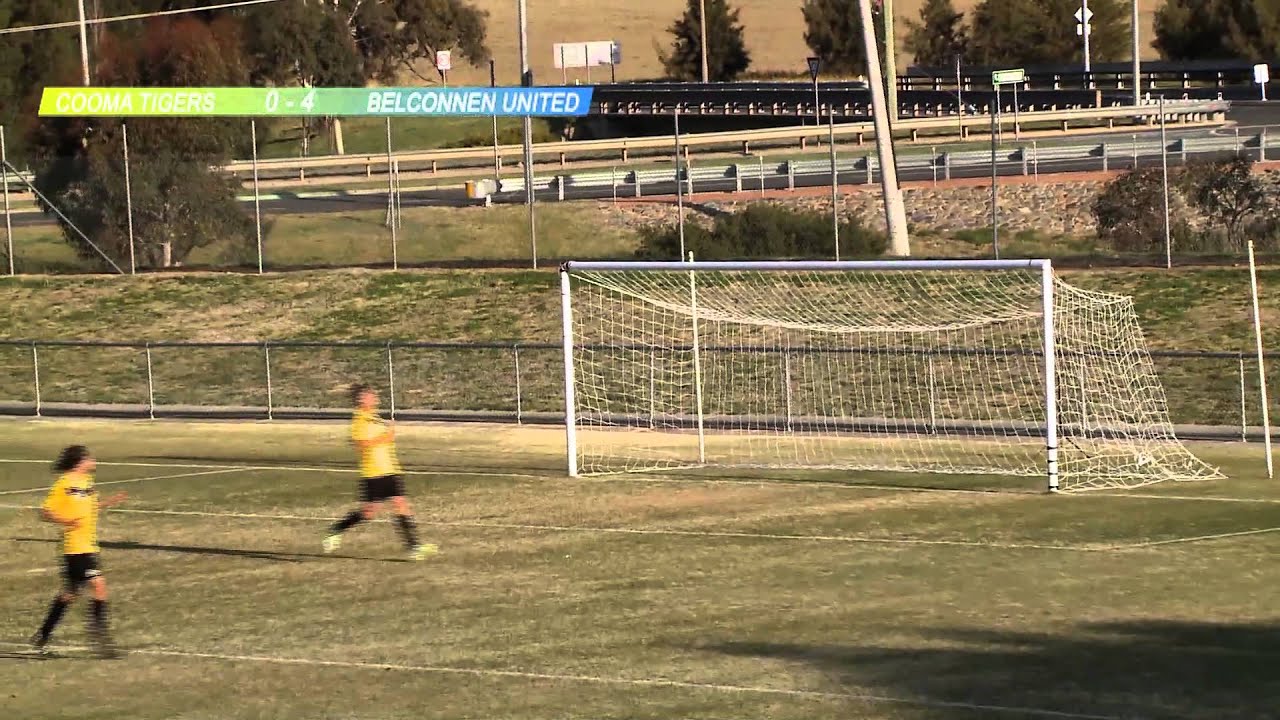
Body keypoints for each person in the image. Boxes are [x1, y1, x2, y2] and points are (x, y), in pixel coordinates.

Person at [31, 445, 126, 658]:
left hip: (88, 545)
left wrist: (109, 503)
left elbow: (89, 508)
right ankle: (98, 633)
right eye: (89, 458)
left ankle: (43, 634)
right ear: (79, 461)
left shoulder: (87, 483)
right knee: (99, 586)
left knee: (70, 594)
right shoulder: (64, 483)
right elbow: (45, 512)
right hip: (75, 547)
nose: (93, 461)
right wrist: (66, 520)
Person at [323, 384, 437, 560]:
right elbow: (360, 443)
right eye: (370, 395)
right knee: (369, 512)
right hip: (373, 472)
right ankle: (336, 529)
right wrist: (385, 436)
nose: (375, 397)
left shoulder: (374, 417)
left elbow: (384, 439)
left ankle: (414, 546)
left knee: (401, 504)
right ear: (361, 400)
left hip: (390, 468)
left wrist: (388, 434)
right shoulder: (359, 421)